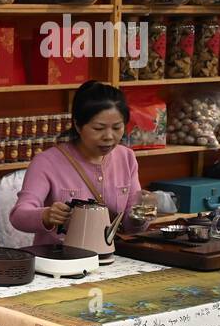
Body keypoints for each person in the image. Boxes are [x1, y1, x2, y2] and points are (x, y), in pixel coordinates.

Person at [10, 81, 150, 245]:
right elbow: (18, 215)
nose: (109, 136)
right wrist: (46, 215)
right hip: (61, 260)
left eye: (117, 128)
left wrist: (141, 215)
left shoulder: (126, 157)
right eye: (98, 128)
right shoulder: (47, 162)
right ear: (77, 125)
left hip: (112, 260)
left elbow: (130, 226)